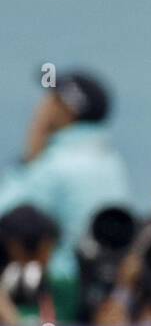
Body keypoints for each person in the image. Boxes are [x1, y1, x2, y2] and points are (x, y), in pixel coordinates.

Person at [0, 72, 131, 282]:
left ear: (66, 110)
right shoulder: (112, 163)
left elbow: (6, 212)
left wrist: (29, 155)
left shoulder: (57, 164)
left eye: (53, 99)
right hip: (99, 280)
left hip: (58, 282)